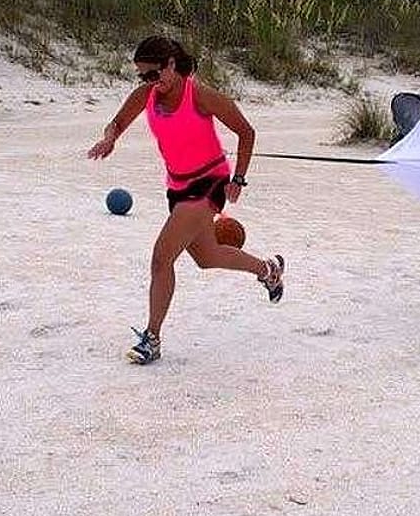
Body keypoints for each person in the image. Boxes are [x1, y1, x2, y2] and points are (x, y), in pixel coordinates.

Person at [87, 36, 285, 364]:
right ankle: (268, 270)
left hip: (209, 183)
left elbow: (246, 132)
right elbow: (118, 122)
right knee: (207, 256)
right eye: (143, 76)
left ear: (171, 65)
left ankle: (151, 339)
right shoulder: (146, 95)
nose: (150, 81)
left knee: (161, 258)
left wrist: (238, 178)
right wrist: (110, 138)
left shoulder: (201, 96)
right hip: (177, 187)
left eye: (154, 74)